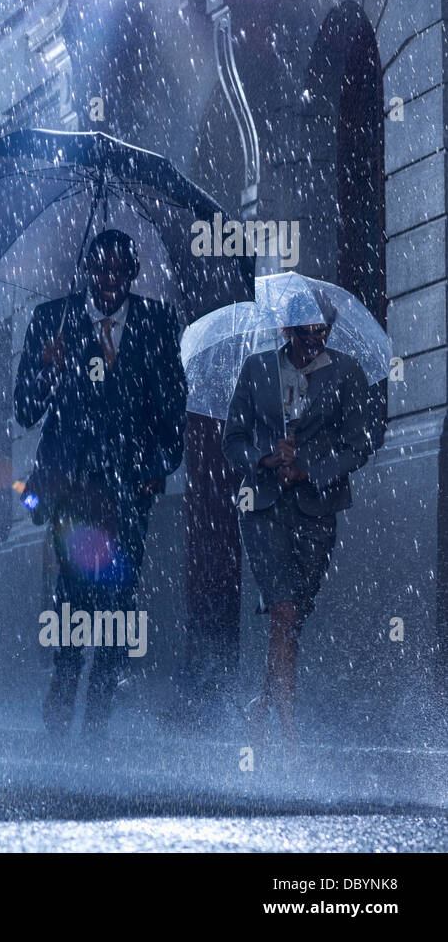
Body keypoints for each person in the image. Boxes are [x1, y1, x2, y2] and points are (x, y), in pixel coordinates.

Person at [14, 229, 186, 738]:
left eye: (120, 270)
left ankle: (99, 714)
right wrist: (47, 368)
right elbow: (25, 409)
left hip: (130, 485)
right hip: (71, 481)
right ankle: (65, 683)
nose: (109, 280)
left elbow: (172, 406)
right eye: (100, 269)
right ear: (88, 270)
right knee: (74, 592)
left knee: (120, 596)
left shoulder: (156, 322)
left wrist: (159, 465)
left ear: (132, 274)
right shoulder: (53, 321)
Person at [223, 297, 372, 750]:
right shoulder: (257, 369)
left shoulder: (346, 373)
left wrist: (310, 469)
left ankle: (263, 704)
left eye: (320, 333)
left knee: (293, 621)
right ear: (287, 331)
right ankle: (288, 736)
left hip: (316, 511)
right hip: (265, 509)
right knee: (283, 610)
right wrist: (265, 459)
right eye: (303, 333)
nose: (312, 342)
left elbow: (361, 442)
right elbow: (233, 440)